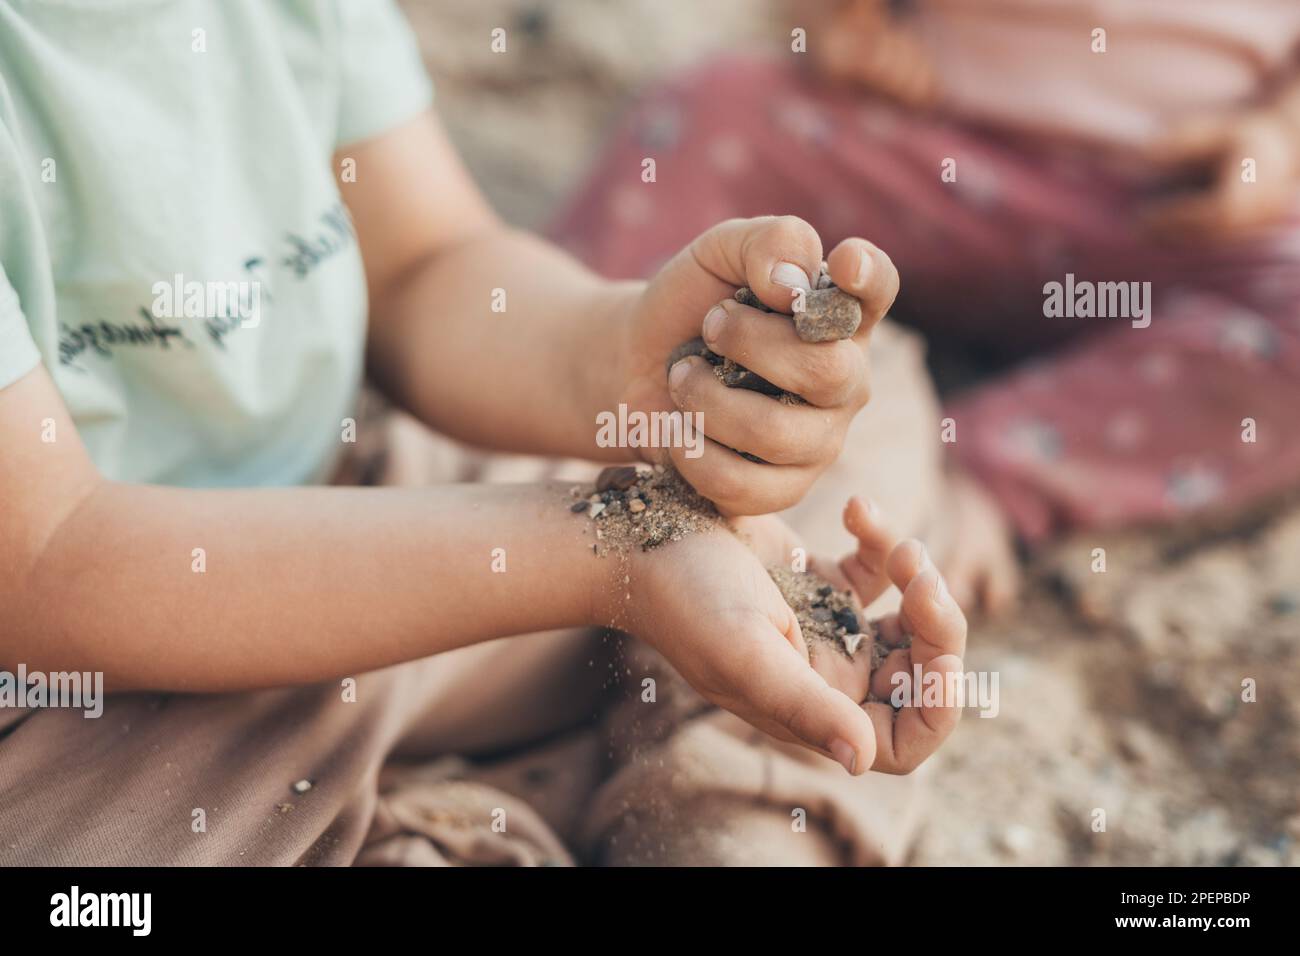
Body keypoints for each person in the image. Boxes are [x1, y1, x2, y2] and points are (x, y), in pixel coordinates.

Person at [0, 0, 964, 865]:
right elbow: (48, 565)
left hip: (365, 515)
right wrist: (612, 547)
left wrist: (634, 365)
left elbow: (426, 262)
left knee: (878, 406)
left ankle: (722, 815)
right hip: (80, 694)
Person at [550, 0, 1300, 615]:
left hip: (1181, 202)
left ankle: (991, 467)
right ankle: (566, 355)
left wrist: (1280, 135)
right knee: (709, 105)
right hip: (923, 147)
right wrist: (842, 24)